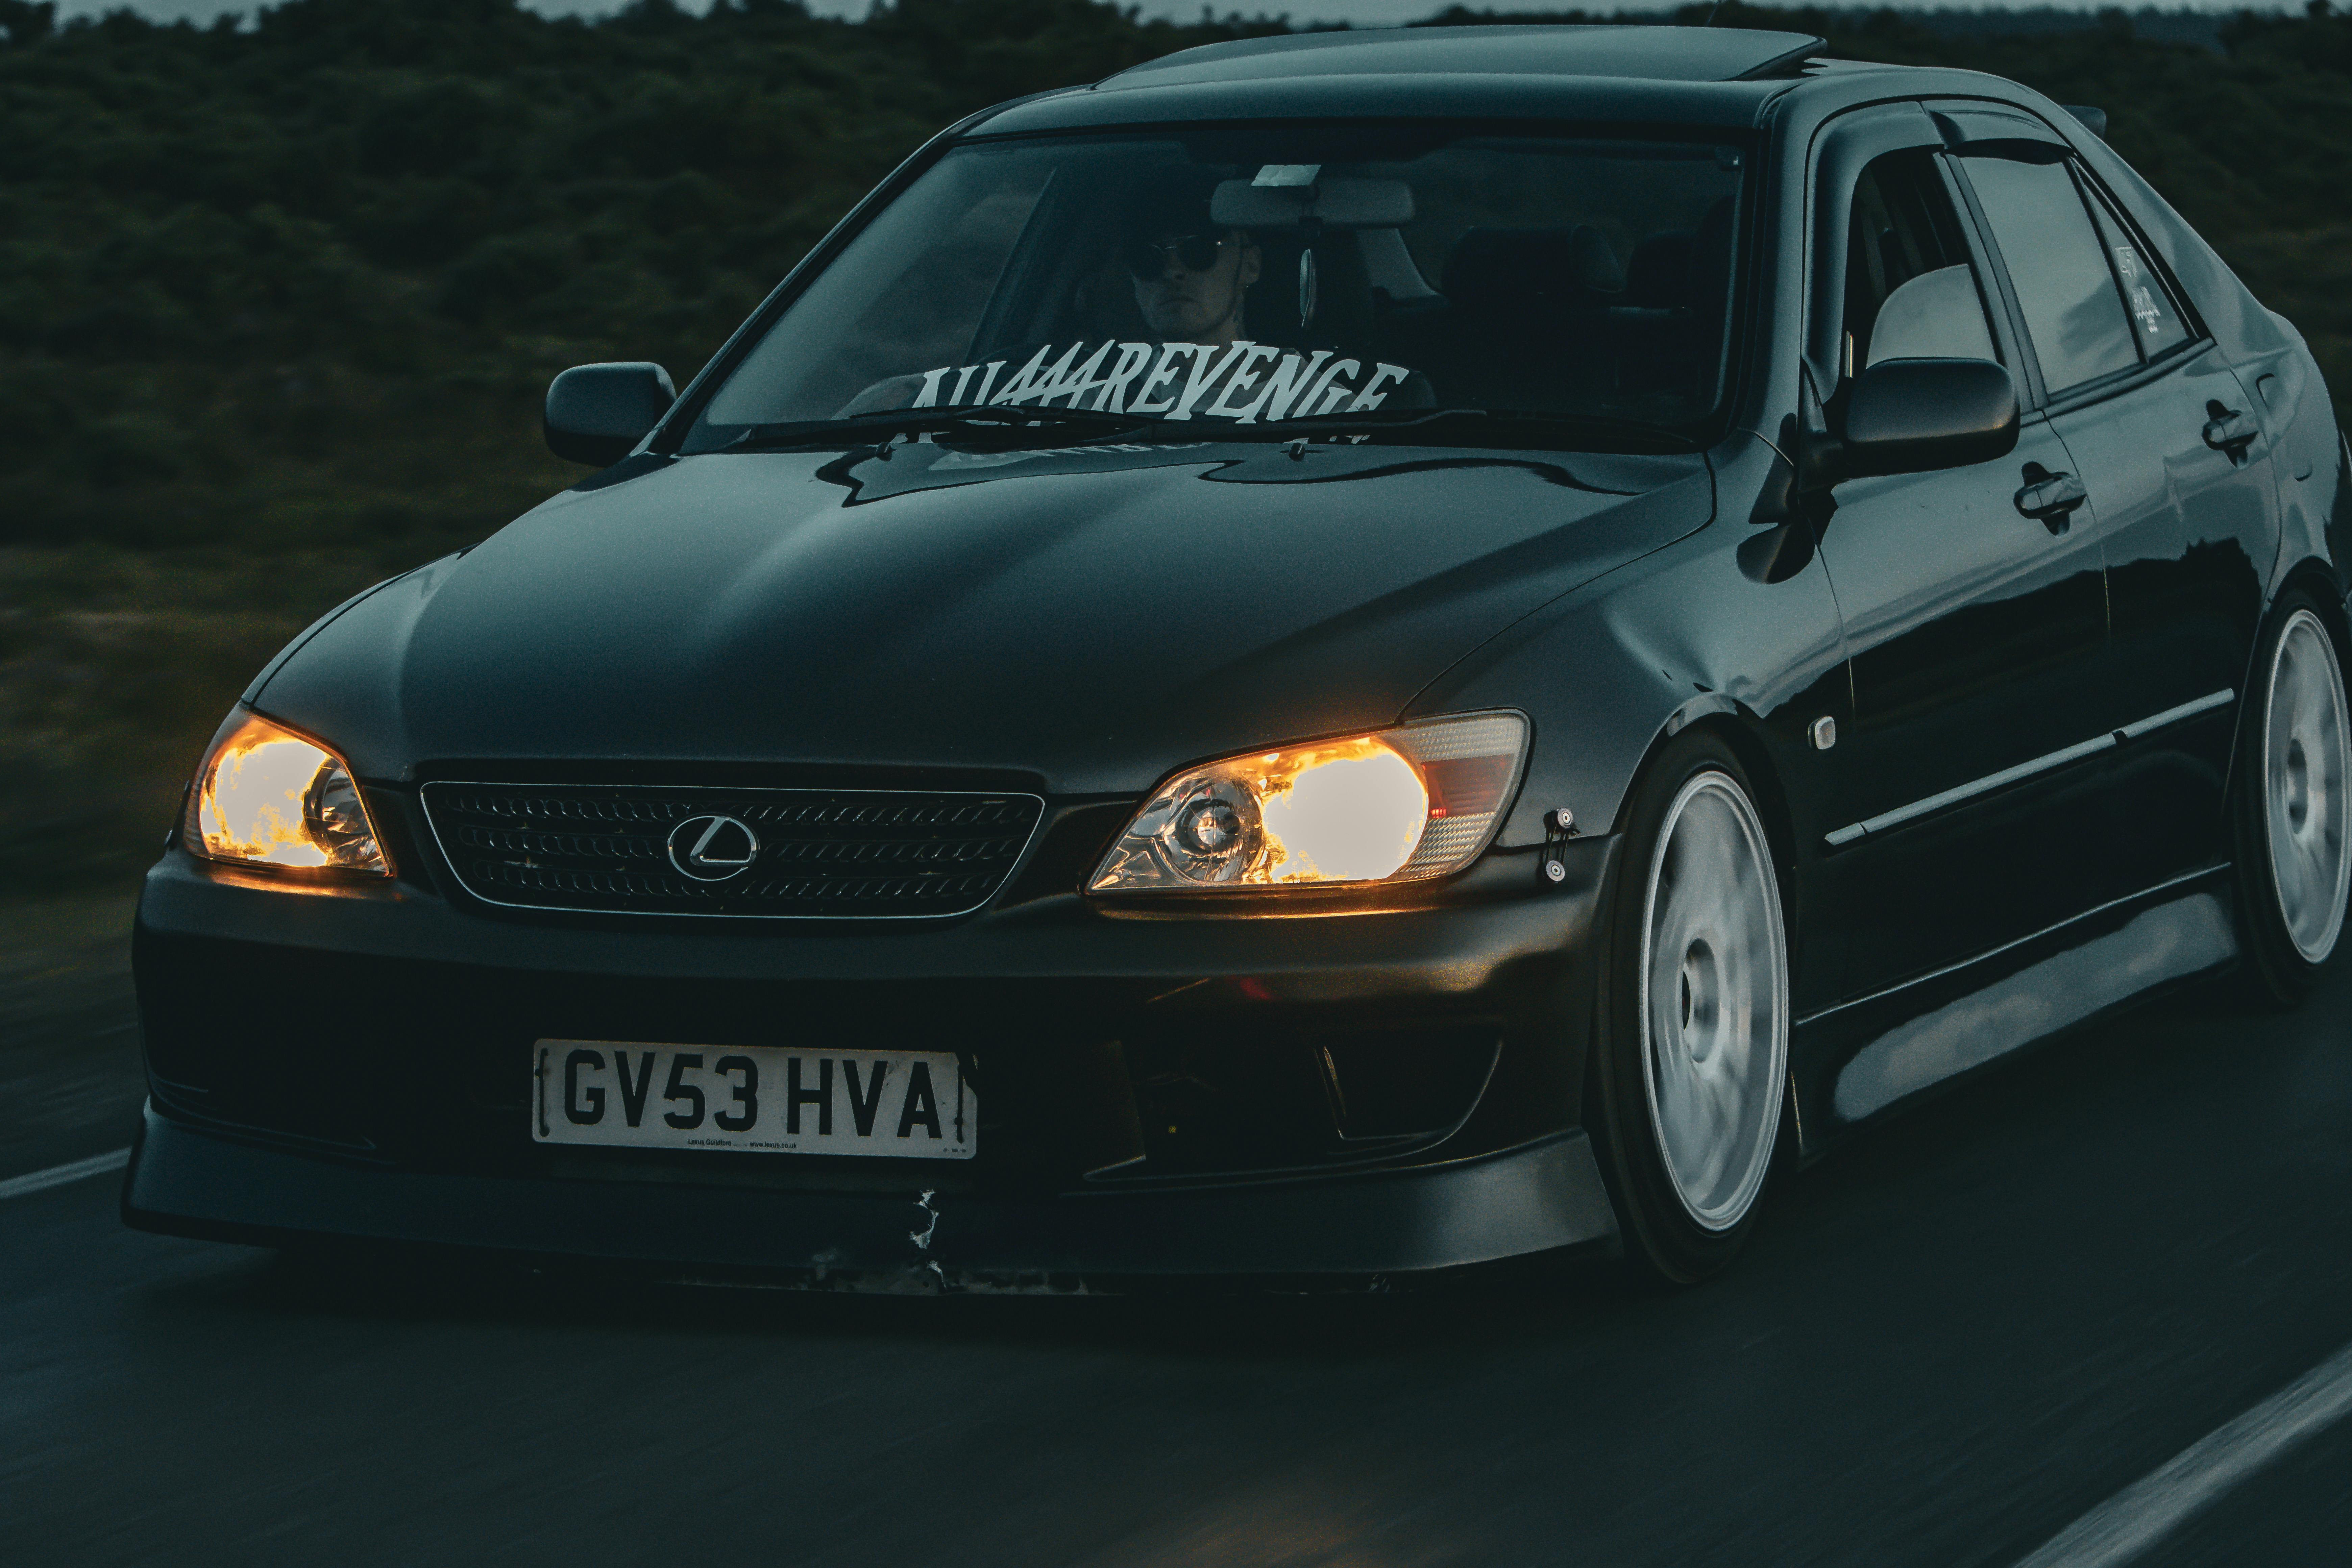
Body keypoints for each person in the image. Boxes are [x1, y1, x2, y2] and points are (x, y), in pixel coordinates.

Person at [1123, 202, 1261, 350]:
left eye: (1199, 250)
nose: (1171, 271)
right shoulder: (1104, 371)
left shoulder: (1287, 370)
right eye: (1147, 258)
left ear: (1250, 264)